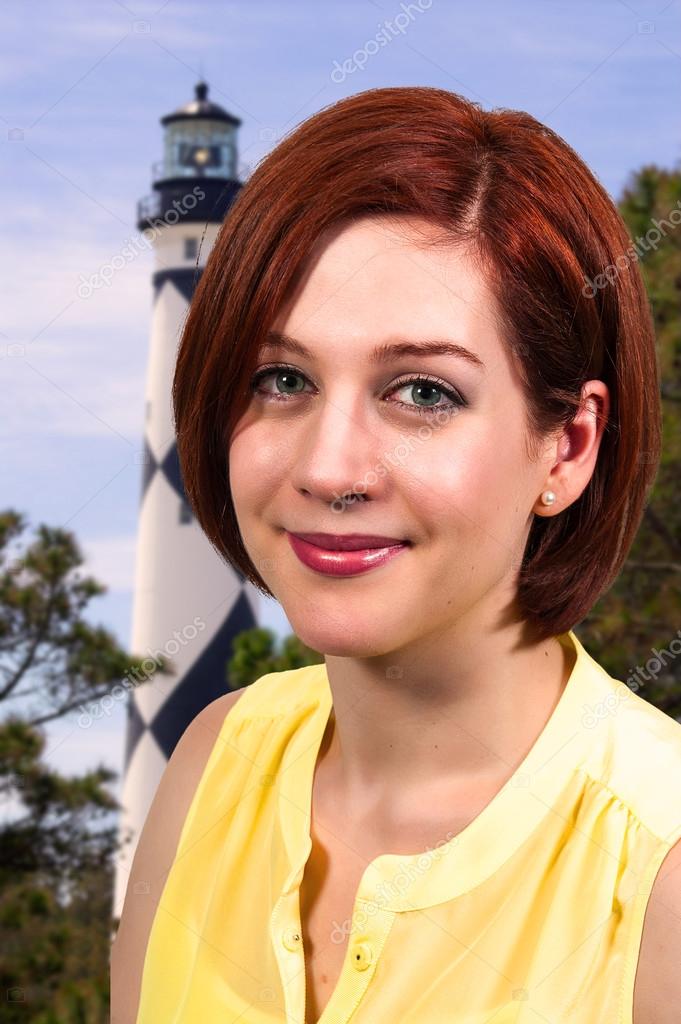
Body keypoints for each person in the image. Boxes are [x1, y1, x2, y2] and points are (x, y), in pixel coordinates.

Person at [111, 86, 681, 1024]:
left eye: (421, 392)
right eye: (281, 379)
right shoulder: (212, 762)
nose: (329, 469)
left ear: (567, 447)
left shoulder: (659, 870)